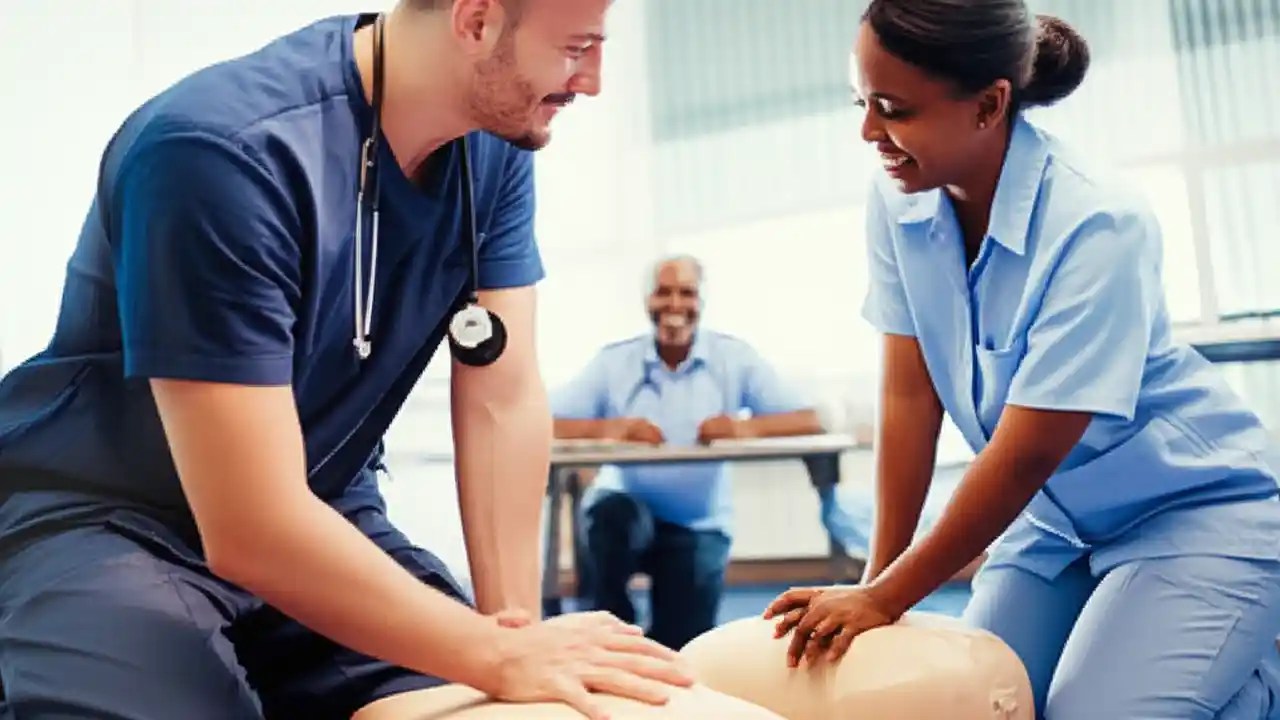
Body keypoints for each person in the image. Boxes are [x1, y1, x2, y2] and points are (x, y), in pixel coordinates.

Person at [0, 2, 695, 719]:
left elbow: (502, 397)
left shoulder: (491, 149)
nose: (595, 81)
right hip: (112, 523)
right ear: (478, 20)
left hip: (327, 509)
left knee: (513, 707)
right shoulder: (218, 152)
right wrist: (497, 655)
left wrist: (514, 642)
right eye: (577, 48)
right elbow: (251, 526)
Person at [765, 1, 1280, 718]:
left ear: (988, 105)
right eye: (862, 102)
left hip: (1191, 513)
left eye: (893, 109)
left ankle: (1246, 682)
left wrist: (887, 598)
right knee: (979, 703)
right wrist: (877, 582)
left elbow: (1024, 455)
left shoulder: (1098, 223)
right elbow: (911, 400)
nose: (868, 131)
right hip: (1054, 524)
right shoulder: (900, 200)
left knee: (1089, 713)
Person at [551, 255, 864, 650]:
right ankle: (608, 632)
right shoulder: (615, 361)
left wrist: (742, 427)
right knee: (607, 517)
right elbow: (543, 421)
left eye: (687, 293)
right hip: (627, 513)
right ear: (647, 301)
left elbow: (815, 418)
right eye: (664, 292)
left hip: (699, 525)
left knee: (684, 646)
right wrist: (613, 429)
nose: (675, 304)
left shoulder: (732, 358)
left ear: (702, 301)